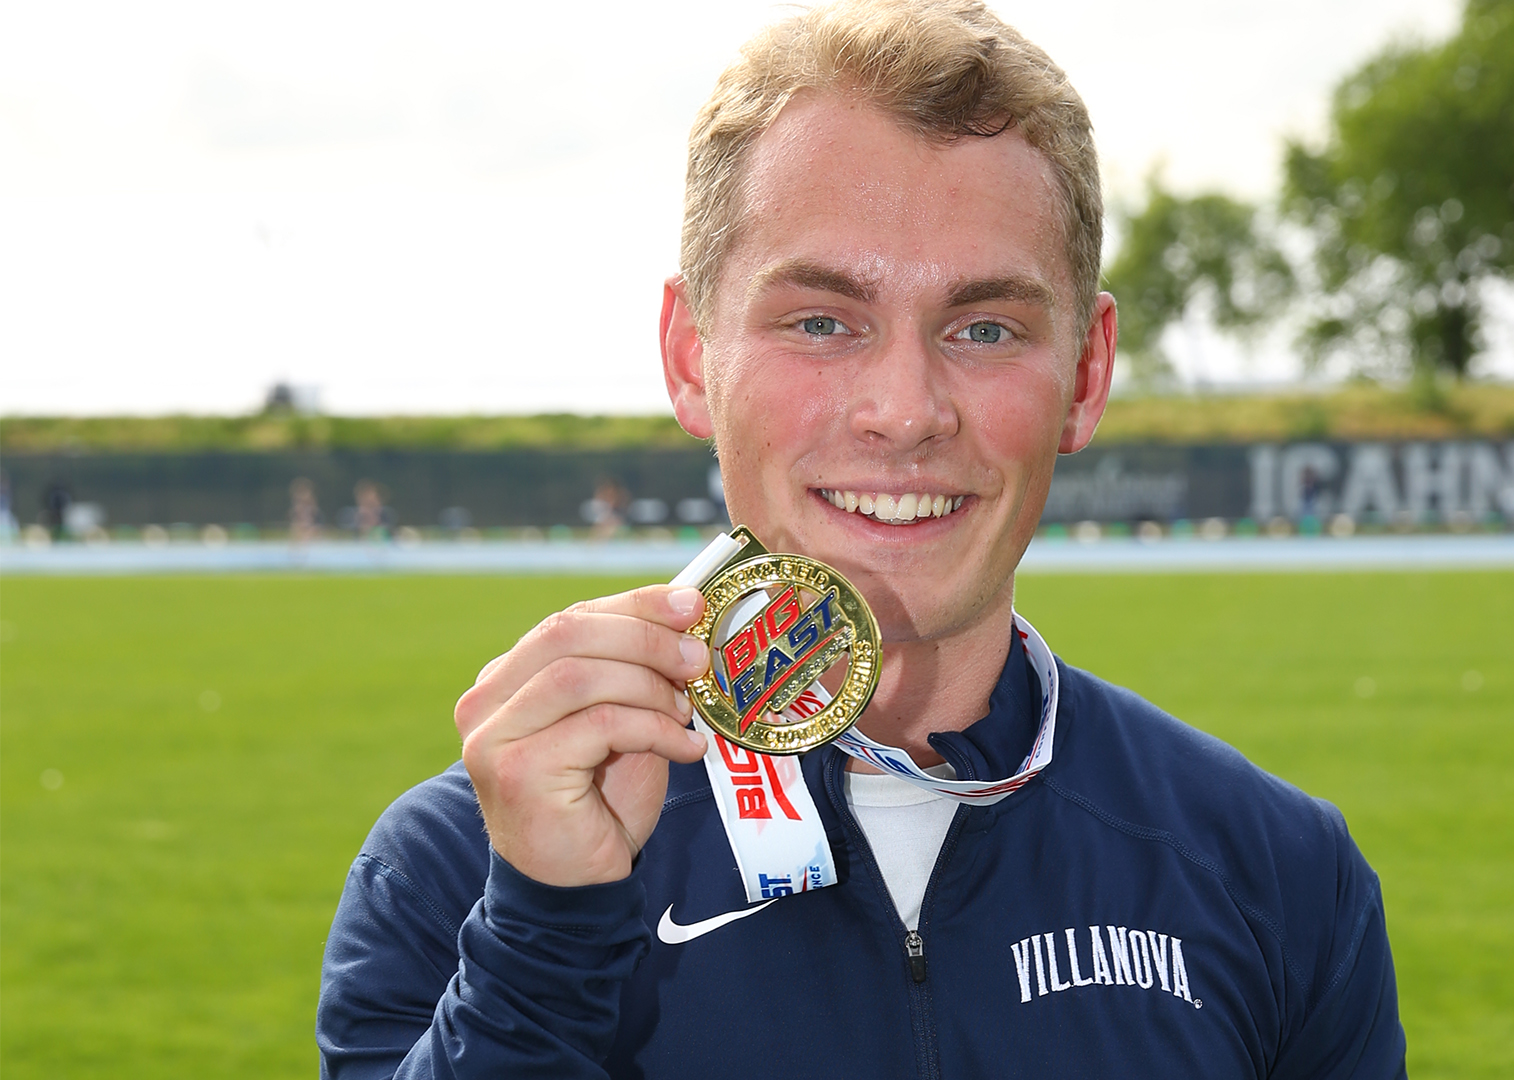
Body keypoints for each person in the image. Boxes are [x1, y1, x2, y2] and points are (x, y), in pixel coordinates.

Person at [316, 2, 1405, 1077]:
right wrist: (546, 933)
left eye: (985, 328)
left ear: (1084, 375)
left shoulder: (1275, 871)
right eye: (823, 321)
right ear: (692, 357)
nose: (904, 408)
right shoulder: (459, 868)